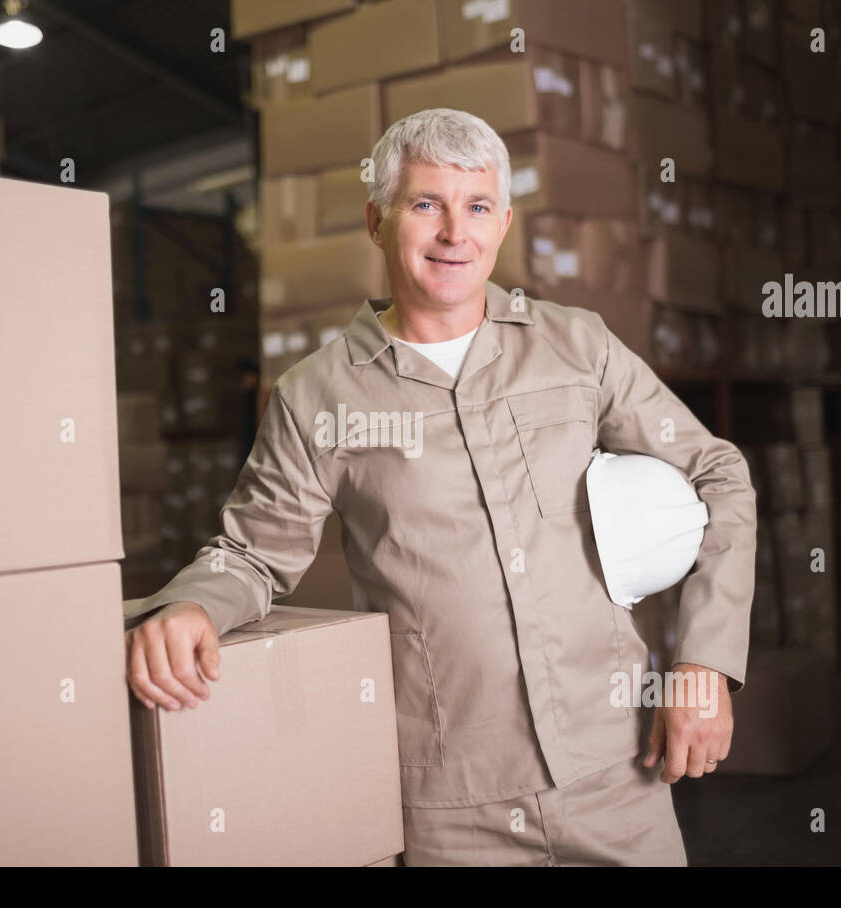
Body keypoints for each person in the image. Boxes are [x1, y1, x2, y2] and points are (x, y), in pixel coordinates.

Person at [124, 108, 757, 866]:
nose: (456, 232)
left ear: (504, 221)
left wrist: (704, 667)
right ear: (377, 220)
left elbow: (717, 474)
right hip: (448, 808)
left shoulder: (575, 347)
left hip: (617, 772)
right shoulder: (318, 396)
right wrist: (192, 603)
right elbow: (254, 554)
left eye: (478, 206)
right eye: (427, 204)